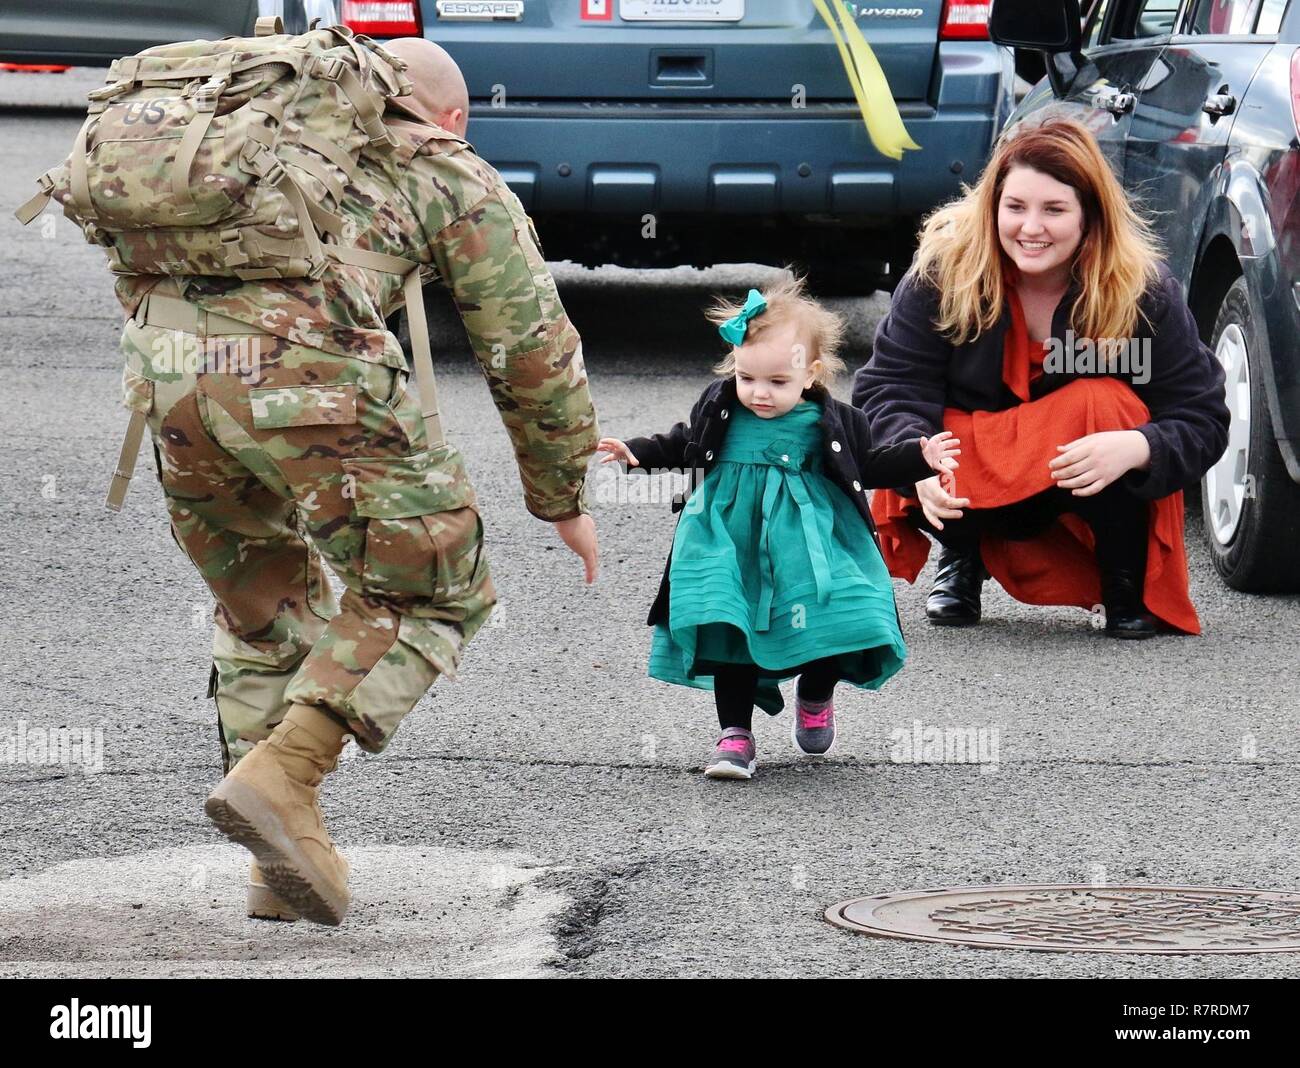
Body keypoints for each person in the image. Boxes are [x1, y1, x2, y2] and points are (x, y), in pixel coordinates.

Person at [108, 37, 601, 924]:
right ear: (451, 116)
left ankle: (277, 868)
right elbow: (527, 349)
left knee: (264, 610)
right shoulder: (449, 171)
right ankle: (285, 780)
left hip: (170, 377)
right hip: (303, 380)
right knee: (436, 585)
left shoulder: (248, 142)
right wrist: (560, 494)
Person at [854, 119, 1229, 638]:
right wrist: (912, 467)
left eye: (1054, 210)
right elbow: (889, 388)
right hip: (969, 469)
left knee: (1107, 401)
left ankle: (1122, 581)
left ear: (1090, 218)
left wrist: (1140, 447)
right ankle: (962, 558)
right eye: (1016, 208)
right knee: (919, 437)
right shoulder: (942, 273)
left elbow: (1203, 413)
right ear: (993, 208)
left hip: (1076, 473)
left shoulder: (1143, 289)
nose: (1031, 228)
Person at [598, 274, 957, 779]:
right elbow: (686, 443)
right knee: (729, 627)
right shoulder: (722, 407)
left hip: (811, 546)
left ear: (810, 374)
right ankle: (734, 737)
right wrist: (638, 453)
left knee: (840, 618)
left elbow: (869, 465)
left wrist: (919, 457)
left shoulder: (833, 422)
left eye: (777, 383)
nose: (759, 394)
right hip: (728, 542)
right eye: (747, 378)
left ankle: (816, 688)